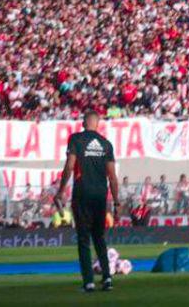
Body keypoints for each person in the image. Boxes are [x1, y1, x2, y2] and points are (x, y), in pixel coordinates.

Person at [53, 108, 120, 293]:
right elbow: (113, 177)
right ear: (97, 124)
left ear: (83, 123)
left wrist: (60, 190)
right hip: (100, 195)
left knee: (83, 239)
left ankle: (89, 282)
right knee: (99, 238)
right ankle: (107, 278)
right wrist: (117, 203)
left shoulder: (76, 139)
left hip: (82, 194)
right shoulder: (106, 144)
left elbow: (69, 166)